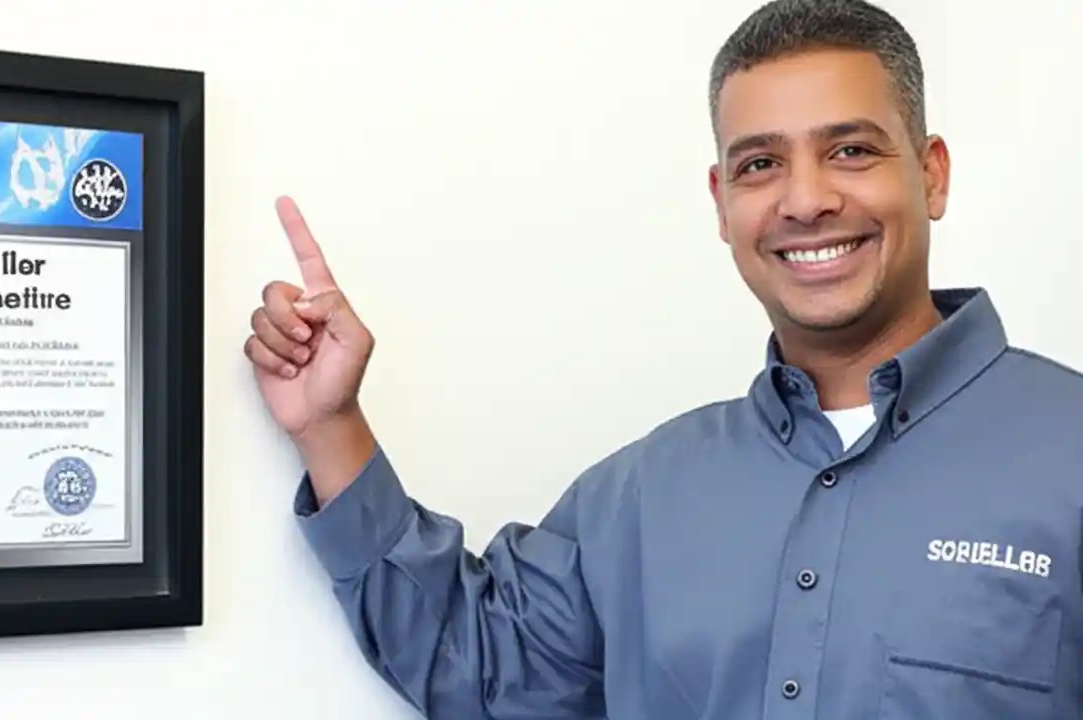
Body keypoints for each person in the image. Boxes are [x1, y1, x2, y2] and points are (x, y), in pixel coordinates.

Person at [243, 0, 1082, 717]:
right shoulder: (643, 496)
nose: (805, 199)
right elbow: (481, 666)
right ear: (723, 203)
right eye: (760, 164)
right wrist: (330, 426)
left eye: (851, 151)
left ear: (930, 175)